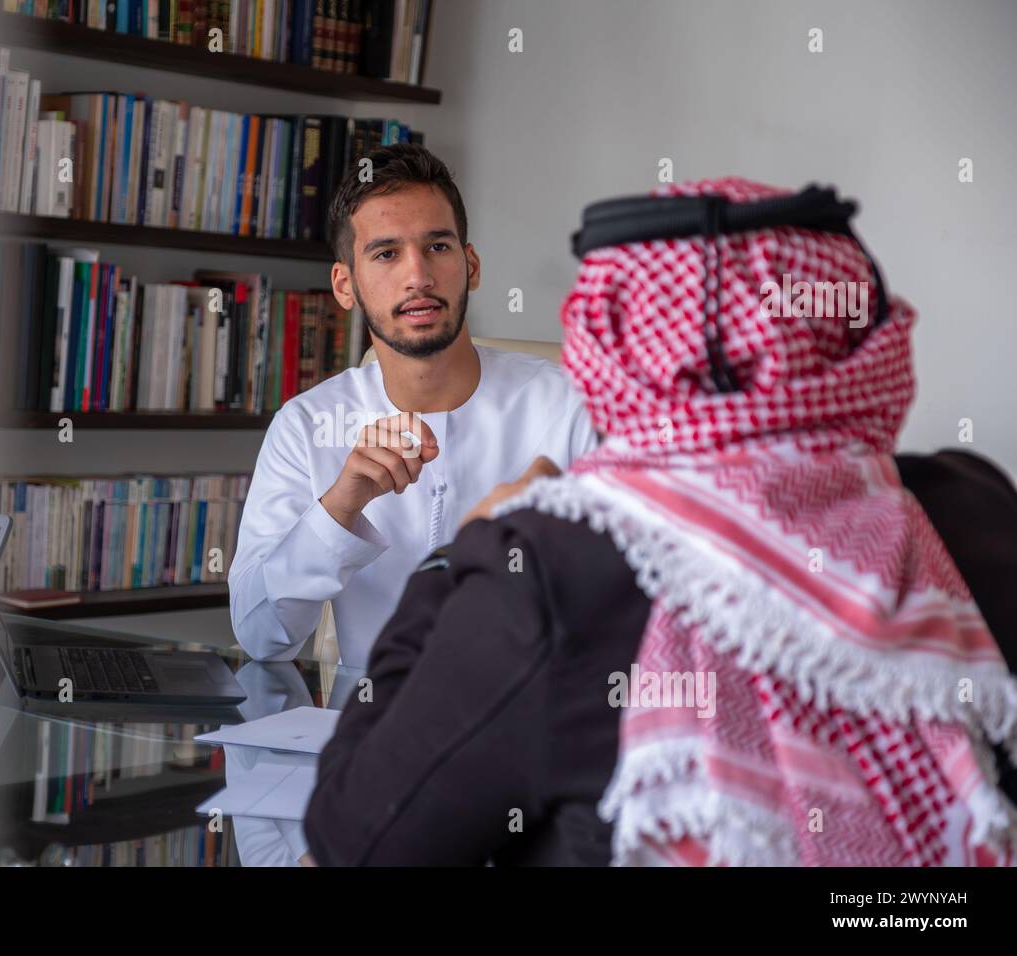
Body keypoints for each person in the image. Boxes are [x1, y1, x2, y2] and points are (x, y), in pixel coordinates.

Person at [301, 177, 1017, 866]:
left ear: (617, 342)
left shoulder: (547, 567)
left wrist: (450, 564)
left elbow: (356, 838)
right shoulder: (974, 502)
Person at [228, 144, 597, 670]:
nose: (418, 276)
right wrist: (339, 509)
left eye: (438, 247)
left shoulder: (574, 407)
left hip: (538, 732)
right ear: (344, 285)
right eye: (385, 254)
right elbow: (262, 636)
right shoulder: (307, 426)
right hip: (370, 736)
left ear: (470, 266)